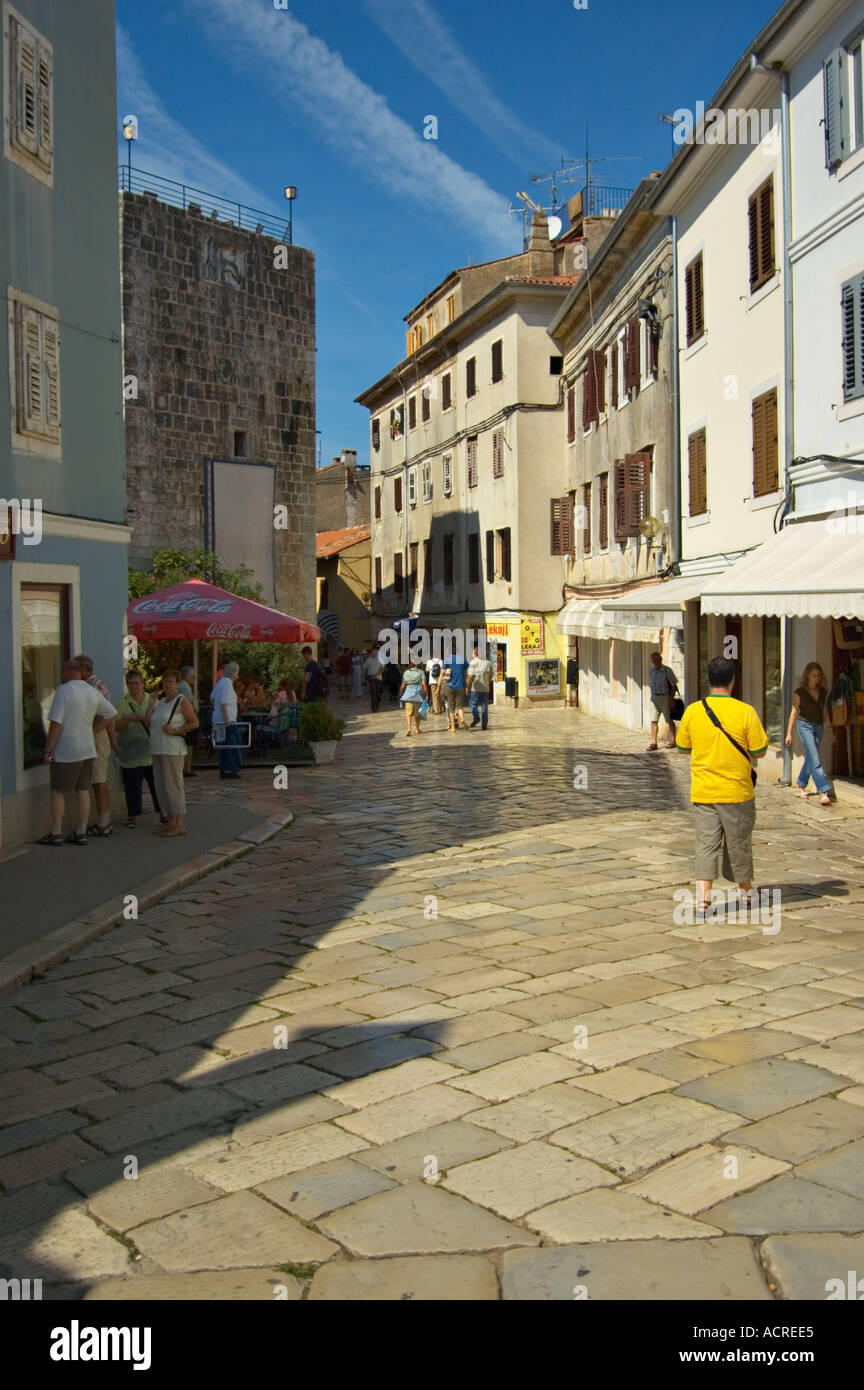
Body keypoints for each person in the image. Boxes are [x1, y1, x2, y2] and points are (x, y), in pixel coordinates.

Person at [676, 655, 769, 920]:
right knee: (739, 843)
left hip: (704, 791)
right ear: (733, 680)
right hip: (737, 792)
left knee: (706, 844)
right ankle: (747, 893)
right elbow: (760, 751)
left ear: (708, 679)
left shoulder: (693, 711)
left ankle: (703, 901)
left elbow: (683, 748)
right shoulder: (745, 712)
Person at [39, 659, 116, 846]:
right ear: (80, 673)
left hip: (67, 749)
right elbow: (111, 713)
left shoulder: (64, 691)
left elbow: (56, 724)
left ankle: (56, 832)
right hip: (87, 748)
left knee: (58, 790)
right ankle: (81, 831)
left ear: (66, 672)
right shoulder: (91, 691)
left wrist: (48, 749)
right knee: (82, 789)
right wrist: (94, 729)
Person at [147, 669, 198, 836]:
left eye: (171, 682)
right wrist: (150, 703)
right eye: (165, 681)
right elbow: (148, 722)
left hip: (172, 750)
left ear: (177, 684)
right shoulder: (161, 702)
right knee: (161, 786)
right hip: (157, 749)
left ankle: (179, 823)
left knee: (173, 786)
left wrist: (176, 730)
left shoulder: (181, 701)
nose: (167, 684)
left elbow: (194, 723)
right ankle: (170, 821)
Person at [115, 670, 165, 829]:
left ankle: (162, 812)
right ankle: (132, 815)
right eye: (131, 684)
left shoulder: (152, 700)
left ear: (142, 683)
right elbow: (116, 727)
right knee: (132, 786)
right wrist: (129, 718)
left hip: (151, 750)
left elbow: (159, 722)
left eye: (137, 683)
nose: (134, 687)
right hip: (130, 751)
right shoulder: (122, 703)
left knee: (156, 784)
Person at [74, 653, 116, 836]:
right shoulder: (94, 684)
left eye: (76, 669)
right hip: (98, 736)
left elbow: (109, 714)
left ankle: (104, 822)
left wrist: (93, 730)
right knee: (98, 780)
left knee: (99, 780)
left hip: (97, 737)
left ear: (84, 670)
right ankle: (103, 820)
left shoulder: (94, 687)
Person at [786, 661, 835, 805]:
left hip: (818, 726)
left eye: (818, 675)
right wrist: (789, 733)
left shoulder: (823, 691)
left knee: (811, 758)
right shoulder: (800, 692)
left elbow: (824, 711)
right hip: (804, 726)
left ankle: (801, 784)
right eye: (814, 675)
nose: (816, 678)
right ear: (807, 675)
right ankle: (823, 790)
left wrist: (830, 729)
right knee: (815, 757)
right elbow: (794, 712)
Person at [212, 660, 243, 779]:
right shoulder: (227, 684)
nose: (238, 676)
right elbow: (224, 703)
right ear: (233, 673)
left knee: (221, 746)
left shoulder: (220, 683)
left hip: (216, 719)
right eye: (237, 673)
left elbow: (213, 698)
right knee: (232, 745)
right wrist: (226, 719)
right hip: (227, 721)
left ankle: (223, 769)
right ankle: (232, 769)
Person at [648, 650, 680, 751]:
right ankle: (653, 742)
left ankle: (673, 740)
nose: (655, 663)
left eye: (657, 660)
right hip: (654, 698)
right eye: (653, 661)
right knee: (653, 720)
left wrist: (671, 699)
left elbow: (674, 685)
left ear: (660, 660)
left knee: (668, 719)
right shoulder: (652, 671)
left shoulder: (667, 670)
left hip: (665, 697)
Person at [466, 645, 494, 730]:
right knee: (484, 706)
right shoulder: (488, 663)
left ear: (475, 654)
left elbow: (470, 677)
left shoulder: (473, 663)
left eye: (472, 653)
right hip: (485, 688)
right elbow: (491, 676)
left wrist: (467, 687)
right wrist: (487, 682)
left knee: (472, 704)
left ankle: (476, 717)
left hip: (475, 689)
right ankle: (484, 725)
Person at [179, 664, 199, 779]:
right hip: (187, 720)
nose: (195, 678)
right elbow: (187, 704)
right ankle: (185, 769)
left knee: (188, 745)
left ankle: (187, 768)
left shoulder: (185, 686)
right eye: (193, 676)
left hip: (188, 719)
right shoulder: (184, 687)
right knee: (188, 745)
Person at [440, 650, 468, 733]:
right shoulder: (462, 659)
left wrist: (440, 686)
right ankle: (462, 719)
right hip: (461, 685)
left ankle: (453, 727)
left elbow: (442, 673)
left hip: (450, 686)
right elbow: (467, 671)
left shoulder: (447, 660)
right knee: (460, 706)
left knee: (451, 707)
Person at [399, 661, 428, 737]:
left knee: (408, 713)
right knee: (417, 714)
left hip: (408, 694)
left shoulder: (406, 672)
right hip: (417, 694)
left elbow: (403, 685)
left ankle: (409, 728)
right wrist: (426, 694)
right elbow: (424, 684)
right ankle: (417, 729)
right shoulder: (421, 672)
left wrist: (401, 693)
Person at [363, 646, 383, 712]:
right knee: (373, 692)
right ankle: (373, 707)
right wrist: (364, 677)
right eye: (373, 653)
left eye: (375, 653)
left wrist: (377, 674)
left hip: (378, 677)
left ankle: (377, 704)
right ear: (371, 653)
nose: (374, 654)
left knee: (378, 692)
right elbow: (364, 668)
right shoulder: (368, 660)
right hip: (371, 677)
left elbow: (382, 668)